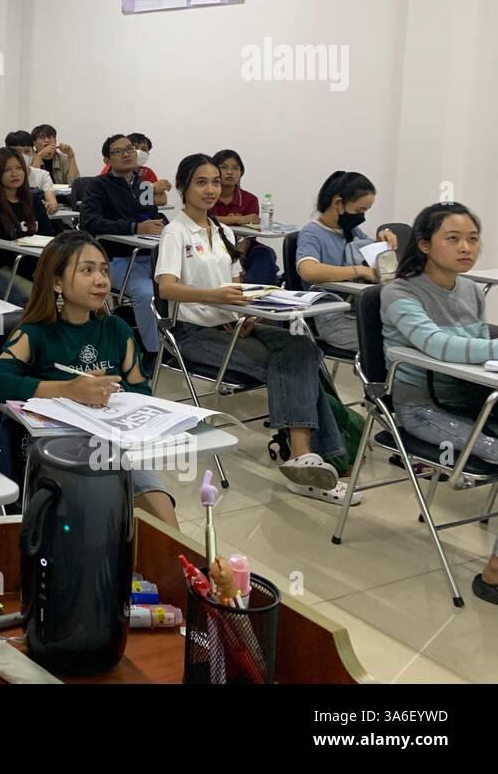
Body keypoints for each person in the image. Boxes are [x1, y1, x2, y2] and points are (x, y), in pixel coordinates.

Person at [155, 154, 358, 505]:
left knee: (304, 349)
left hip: (232, 324)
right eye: (201, 182)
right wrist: (213, 296)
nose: (210, 189)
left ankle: (305, 459)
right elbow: (166, 289)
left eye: (215, 182)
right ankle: (305, 460)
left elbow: (238, 285)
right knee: (290, 363)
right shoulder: (176, 232)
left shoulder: (223, 231)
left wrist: (249, 310)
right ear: (183, 186)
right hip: (192, 332)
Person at [0, 231, 178, 526]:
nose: (101, 280)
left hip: (112, 436)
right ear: (57, 282)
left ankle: (171, 562)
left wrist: (118, 394)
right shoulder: (36, 332)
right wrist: (68, 390)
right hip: (53, 444)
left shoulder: (116, 329)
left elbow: (140, 388)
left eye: (103, 270)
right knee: (104, 500)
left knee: (156, 507)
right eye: (87, 270)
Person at [380, 202, 498, 605]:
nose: (466, 247)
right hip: (422, 408)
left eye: (473, 238)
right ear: (426, 245)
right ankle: (494, 574)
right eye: (454, 239)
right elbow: (435, 344)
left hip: (474, 399)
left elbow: (478, 352)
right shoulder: (399, 291)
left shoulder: (470, 289)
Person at [79, 134, 164, 355]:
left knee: (185, 286)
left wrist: (162, 226)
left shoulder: (143, 186)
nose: (126, 154)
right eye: (118, 151)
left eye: (130, 149)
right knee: (147, 294)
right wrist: (133, 228)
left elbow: (151, 215)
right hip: (117, 260)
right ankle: (154, 353)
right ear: (107, 160)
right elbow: (90, 221)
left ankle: (181, 344)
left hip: (151, 257)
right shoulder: (98, 185)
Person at [296, 171, 397, 351]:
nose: (362, 216)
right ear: (338, 203)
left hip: (358, 312)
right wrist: (358, 270)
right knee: (394, 346)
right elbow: (308, 271)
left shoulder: (350, 230)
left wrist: (381, 241)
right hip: (331, 317)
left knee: (405, 337)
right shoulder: (312, 233)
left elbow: (369, 260)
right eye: (360, 211)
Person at [0, 147, 59, 305]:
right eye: (7, 170)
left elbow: (48, 235)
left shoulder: (33, 201)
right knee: (38, 300)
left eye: (19, 168)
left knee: (75, 290)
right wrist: (25, 253)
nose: (15, 173)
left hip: (33, 265)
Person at [210, 149, 279, 285]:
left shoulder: (250, 199)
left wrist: (239, 258)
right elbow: (204, 219)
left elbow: (249, 235)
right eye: (224, 167)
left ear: (241, 173)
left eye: (235, 168)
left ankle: (254, 294)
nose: (230, 172)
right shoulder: (208, 195)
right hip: (212, 243)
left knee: (265, 253)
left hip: (243, 246)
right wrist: (237, 219)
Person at [100, 132, 171, 205]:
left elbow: (162, 199)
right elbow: (114, 198)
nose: (139, 152)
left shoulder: (147, 172)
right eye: (134, 148)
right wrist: (152, 189)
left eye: (144, 149)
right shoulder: (111, 170)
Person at [3, 131, 59, 213]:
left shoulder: (43, 175)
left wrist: (49, 206)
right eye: (18, 152)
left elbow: (53, 203)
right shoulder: (3, 175)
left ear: (33, 152)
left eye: (27, 151)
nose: (22, 156)